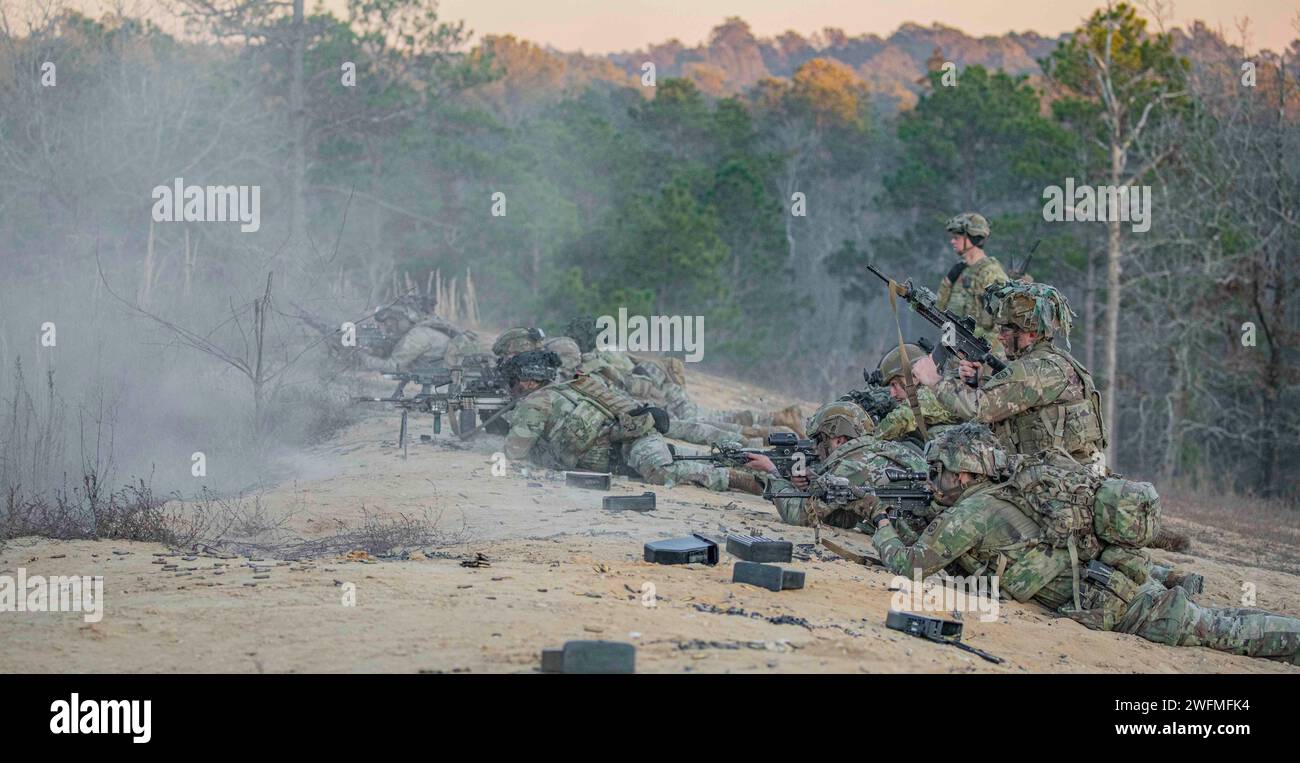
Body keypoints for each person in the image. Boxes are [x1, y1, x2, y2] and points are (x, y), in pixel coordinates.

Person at [866, 424, 1299, 665]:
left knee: (1225, 631)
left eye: (937, 470)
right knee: (1221, 618)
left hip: (1119, 603)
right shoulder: (1003, 492)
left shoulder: (971, 513)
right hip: (1116, 583)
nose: (931, 480)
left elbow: (913, 565)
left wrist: (881, 522)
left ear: (962, 474)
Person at [911, 281, 1107, 474]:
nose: (1000, 337)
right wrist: (980, 383)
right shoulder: (1051, 362)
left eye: (1006, 330)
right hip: (1055, 473)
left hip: (1058, 479)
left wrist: (935, 381)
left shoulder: (1035, 370)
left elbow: (977, 408)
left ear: (1030, 334)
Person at [501, 350, 739, 492]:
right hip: (627, 445)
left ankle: (742, 479)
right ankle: (745, 461)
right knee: (690, 457)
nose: (511, 389)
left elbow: (515, 453)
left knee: (663, 474)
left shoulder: (535, 402)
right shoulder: (567, 387)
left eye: (513, 382)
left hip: (630, 444)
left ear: (529, 381)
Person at [746, 402, 928, 532]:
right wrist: (815, 483)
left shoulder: (852, 465)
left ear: (839, 440)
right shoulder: (877, 450)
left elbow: (800, 515)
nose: (816, 448)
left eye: (819, 440)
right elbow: (843, 517)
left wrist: (772, 473)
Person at [869, 343, 963, 446]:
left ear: (914, 377)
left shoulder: (936, 390)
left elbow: (902, 417)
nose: (892, 393)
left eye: (894, 384)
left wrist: (867, 441)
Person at [936, 213, 1009, 332]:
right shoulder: (961, 271)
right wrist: (948, 282)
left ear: (971, 238)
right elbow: (940, 310)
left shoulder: (991, 273)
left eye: (957, 238)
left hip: (982, 348)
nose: (952, 241)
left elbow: (1000, 324)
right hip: (954, 343)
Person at [359, 299, 472, 373]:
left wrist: (363, 358)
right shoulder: (425, 328)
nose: (388, 327)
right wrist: (376, 352)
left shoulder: (417, 335)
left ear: (402, 319)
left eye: (390, 322)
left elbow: (394, 367)